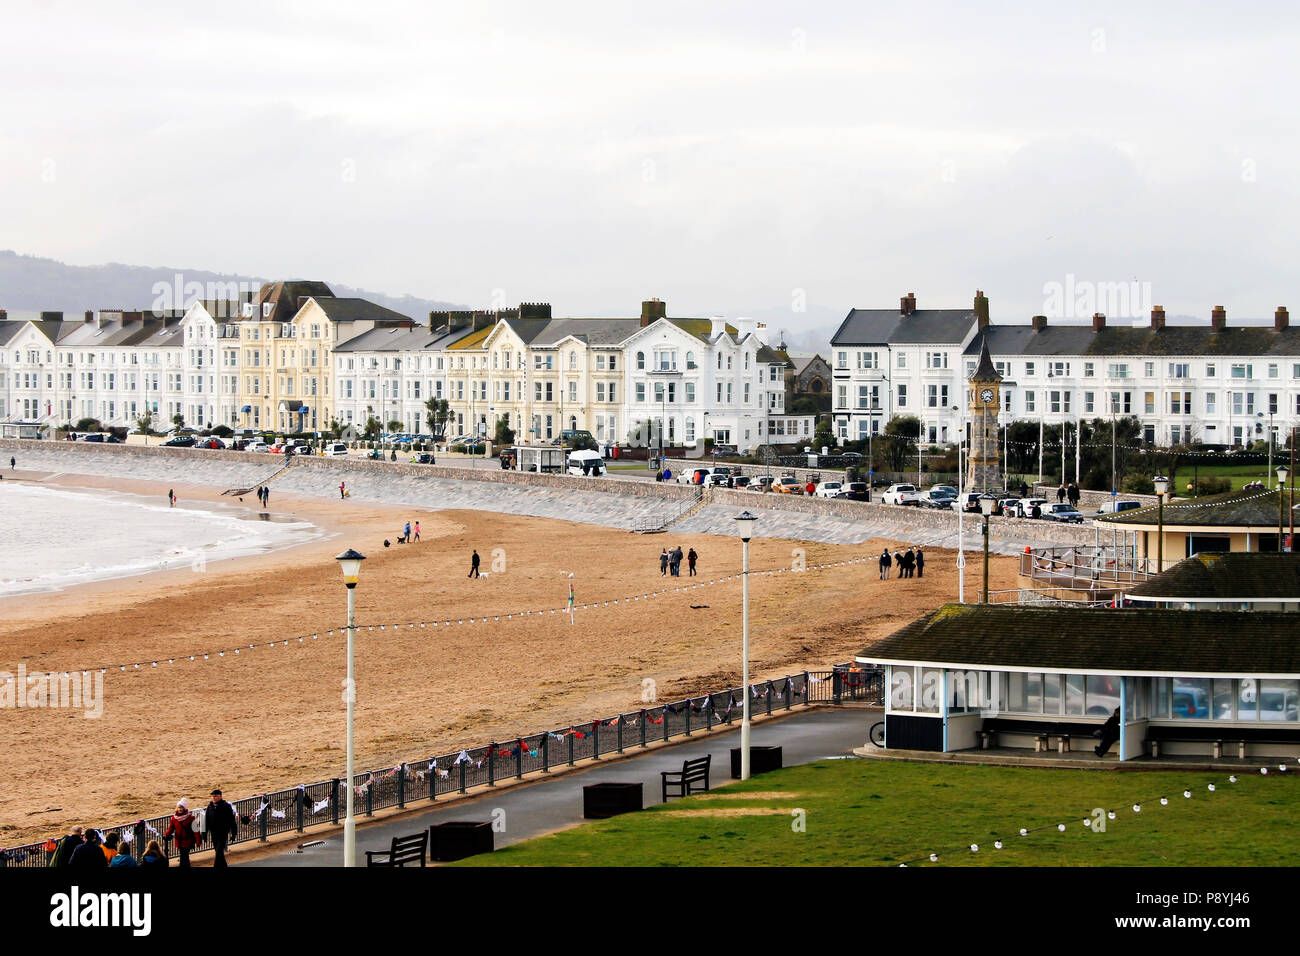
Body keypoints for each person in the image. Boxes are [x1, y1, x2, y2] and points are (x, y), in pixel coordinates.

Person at [205, 788, 238, 867]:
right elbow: (206, 820)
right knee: (218, 852)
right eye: (212, 796)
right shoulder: (210, 806)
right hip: (213, 833)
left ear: (220, 796)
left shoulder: (226, 806)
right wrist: (204, 833)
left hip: (223, 832)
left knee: (219, 851)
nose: (213, 798)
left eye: (215, 796)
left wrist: (234, 833)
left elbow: (231, 820)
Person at [164, 799, 199, 867]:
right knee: (184, 857)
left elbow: (196, 830)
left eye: (182, 807)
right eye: (179, 807)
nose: (180, 809)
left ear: (184, 808)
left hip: (188, 840)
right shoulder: (174, 818)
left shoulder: (191, 818)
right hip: (179, 841)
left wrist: (198, 840)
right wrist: (166, 834)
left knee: (184, 857)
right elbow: (171, 828)